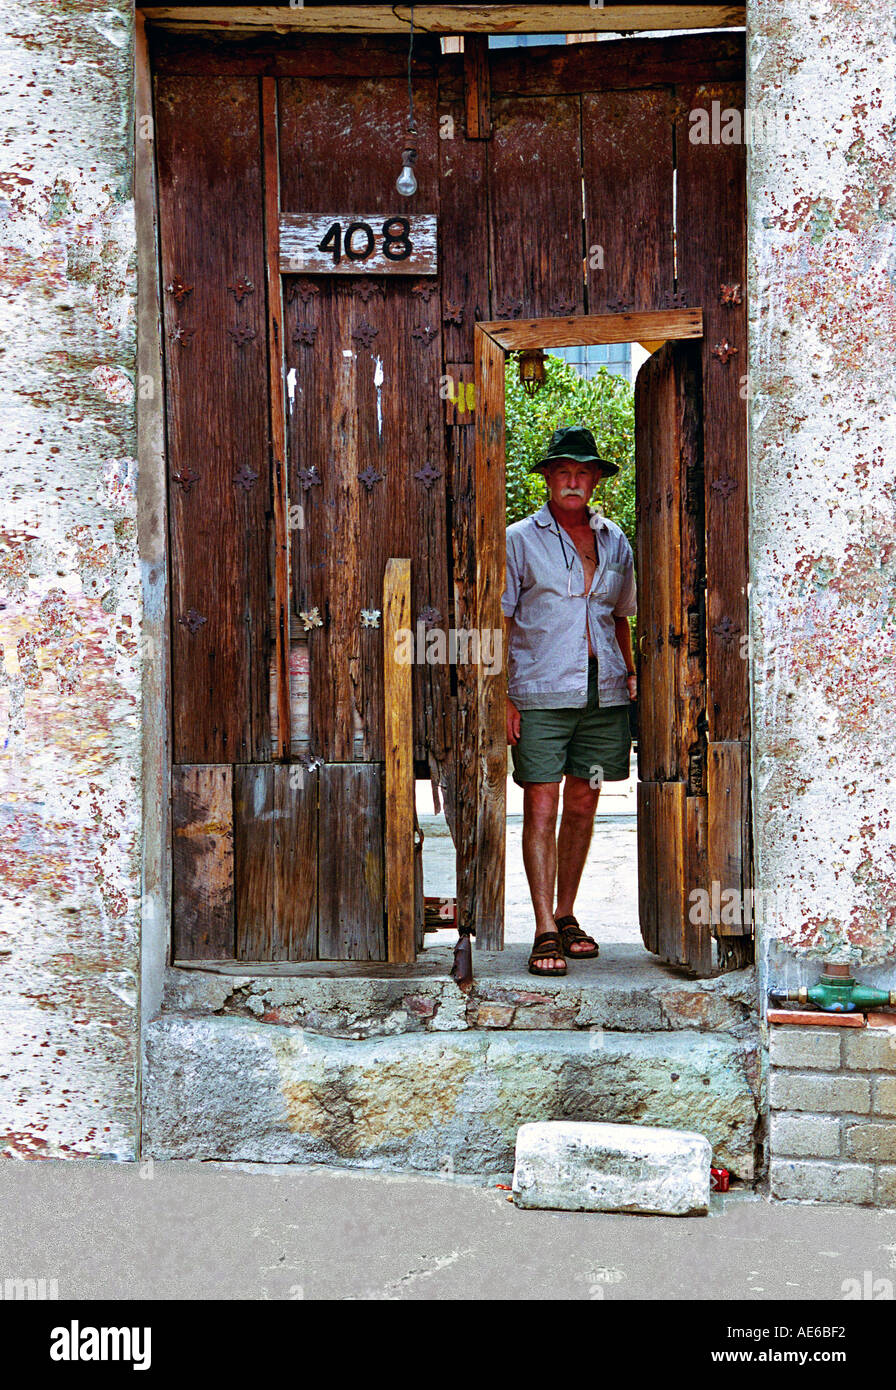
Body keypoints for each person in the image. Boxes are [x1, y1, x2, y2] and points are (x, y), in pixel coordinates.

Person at [501, 425, 637, 976]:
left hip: (603, 695)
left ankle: (567, 913)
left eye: (583, 472)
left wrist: (630, 673)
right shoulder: (519, 540)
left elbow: (621, 616)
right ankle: (542, 928)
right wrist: (501, 697)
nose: (573, 481)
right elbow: (500, 619)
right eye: (563, 472)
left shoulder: (615, 541)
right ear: (549, 480)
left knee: (585, 802)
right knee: (541, 802)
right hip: (538, 692)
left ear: (596, 479)